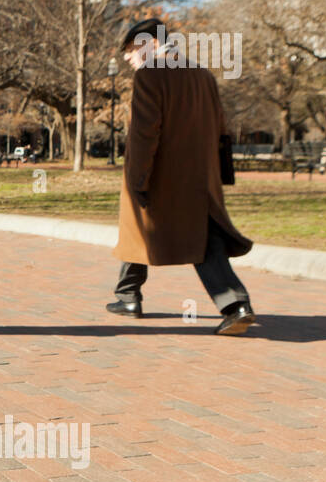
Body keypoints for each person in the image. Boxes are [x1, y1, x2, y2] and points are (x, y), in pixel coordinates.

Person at [107, 18, 256, 335]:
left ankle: (235, 305)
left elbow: (144, 134)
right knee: (165, 233)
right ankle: (128, 295)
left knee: (197, 243)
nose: (128, 58)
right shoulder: (203, 75)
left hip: (161, 177)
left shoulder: (151, 75)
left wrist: (136, 179)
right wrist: (220, 174)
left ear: (151, 44)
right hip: (200, 178)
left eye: (132, 49)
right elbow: (221, 129)